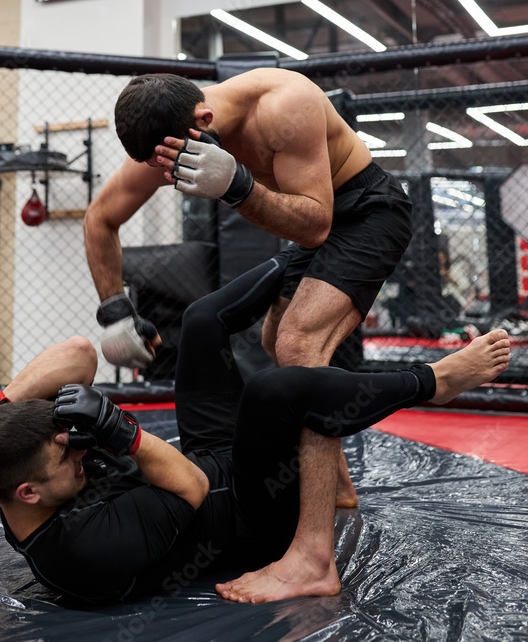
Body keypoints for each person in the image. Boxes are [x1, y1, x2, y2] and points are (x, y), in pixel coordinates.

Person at [0, 252, 511, 604]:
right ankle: (434, 380)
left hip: (208, 458)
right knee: (273, 388)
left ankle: (310, 253)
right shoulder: (82, 552)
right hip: (245, 510)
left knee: (202, 320)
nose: (79, 457)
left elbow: (77, 352)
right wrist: (119, 430)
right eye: (67, 460)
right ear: (29, 493)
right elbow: (187, 485)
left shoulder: (12, 463)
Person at [84, 68, 413, 592]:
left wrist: (238, 186)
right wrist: (115, 311)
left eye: (177, 165)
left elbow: (317, 224)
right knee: (272, 342)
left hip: (363, 211)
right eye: (164, 169)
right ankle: (339, 487)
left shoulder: (284, 106)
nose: (173, 176)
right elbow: (101, 218)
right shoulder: (168, 139)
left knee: (298, 347)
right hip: (306, 223)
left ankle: (314, 560)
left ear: (204, 120)